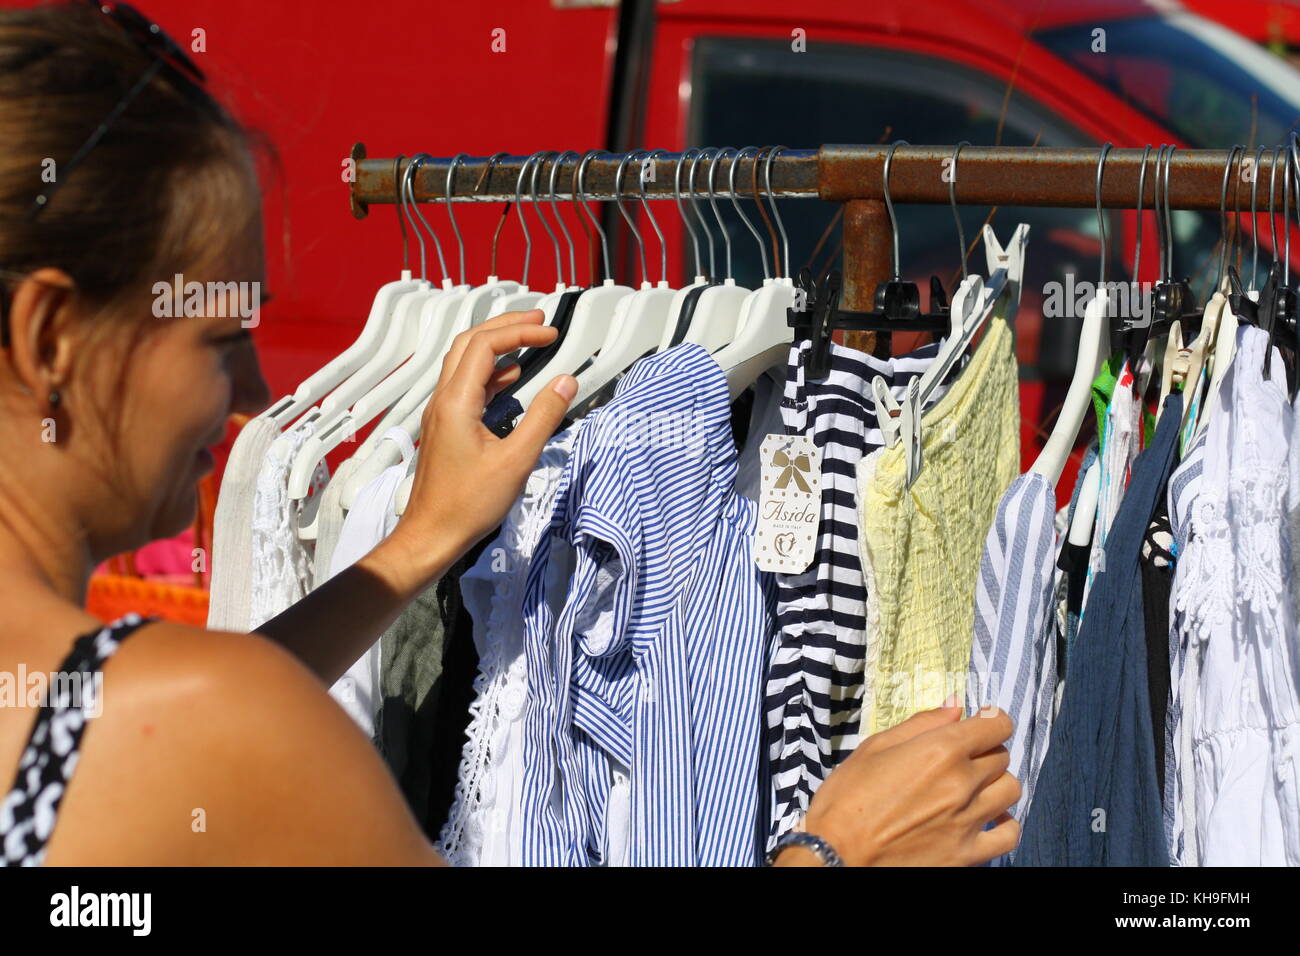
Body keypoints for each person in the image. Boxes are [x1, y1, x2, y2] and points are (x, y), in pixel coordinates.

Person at [0, 1, 1019, 867]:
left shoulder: (133, 719)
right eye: (221, 336)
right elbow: (204, 724)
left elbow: (181, 730)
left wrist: (420, 542)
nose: (256, 387)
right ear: (50, 336)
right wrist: (830, 849)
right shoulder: (197, 717)